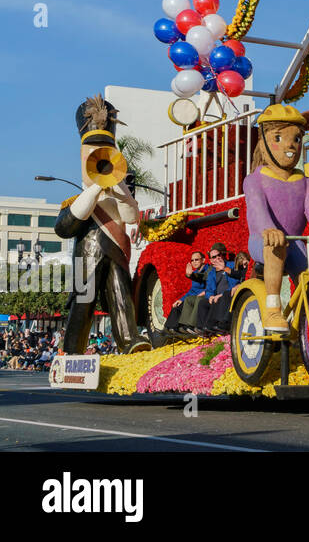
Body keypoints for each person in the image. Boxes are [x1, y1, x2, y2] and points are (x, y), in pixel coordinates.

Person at [54, 94, 151, 354]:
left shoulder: (119, 193)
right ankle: (73, 349)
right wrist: (96, 186)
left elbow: (131, 217)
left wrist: (119, 187)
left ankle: (130, 341)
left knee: (122, 298)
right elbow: (65, 226)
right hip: (85, 260)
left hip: (116, 255)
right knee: (82, 304)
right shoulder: (75, 200)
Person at [242, 105, 309, 333]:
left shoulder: (306, 182)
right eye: (278, 138)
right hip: (264, 241)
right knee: (275, 248)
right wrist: (269, 230)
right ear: (263, 143)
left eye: (297, 139)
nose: (290, 145)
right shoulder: (255, 179)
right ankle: (272, 308)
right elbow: (258, 210)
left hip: (295, 241)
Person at [163, 251, 209, 338]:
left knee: (185, 304)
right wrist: (181, 299)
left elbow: (208, 283)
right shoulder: (195, 272)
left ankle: (179, 328)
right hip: (193, 296)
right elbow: (192, 290)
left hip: (201, 296)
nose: (194, 262)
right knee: (177, 306)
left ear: (203, 260)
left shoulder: (208, 270)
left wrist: (192, 276)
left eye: (196, 259)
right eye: (192, 260)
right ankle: (168, 329)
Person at [197, 243, 238, 335]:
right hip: (216, 296)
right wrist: (210, 296)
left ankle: (215, 326)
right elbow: (208, 289)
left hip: (227, 294)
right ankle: (203, 329)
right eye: (214, 257)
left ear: (222, 255)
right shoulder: (211, 272)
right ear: (211, 260)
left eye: (219, 255)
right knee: (203, 303)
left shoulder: (231, 265)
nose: (217, 258)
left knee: (219, 299)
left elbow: (235, 283)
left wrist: (224, 269)